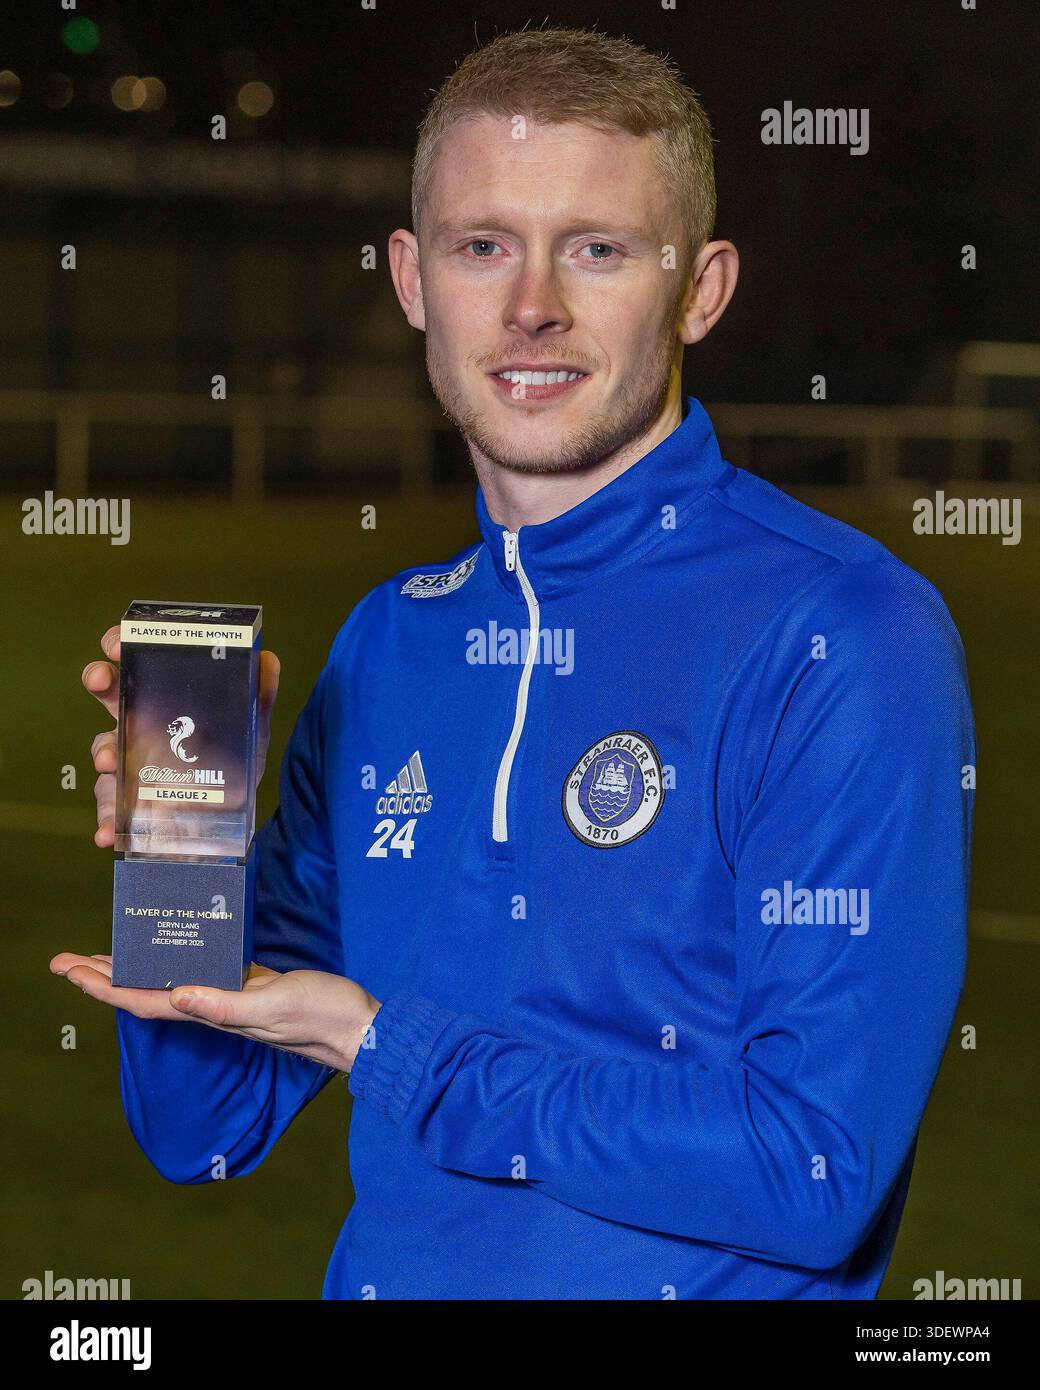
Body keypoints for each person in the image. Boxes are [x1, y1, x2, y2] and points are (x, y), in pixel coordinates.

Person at [52, 27, 975, 1300]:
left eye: (595, 248)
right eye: (482, 245)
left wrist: (389, 1049)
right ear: (410, 278)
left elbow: (809, 1171)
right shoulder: (388, 640)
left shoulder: (844, 632)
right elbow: (199, 1134)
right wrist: (182, 863)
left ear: (699, 289)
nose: (530, 302)